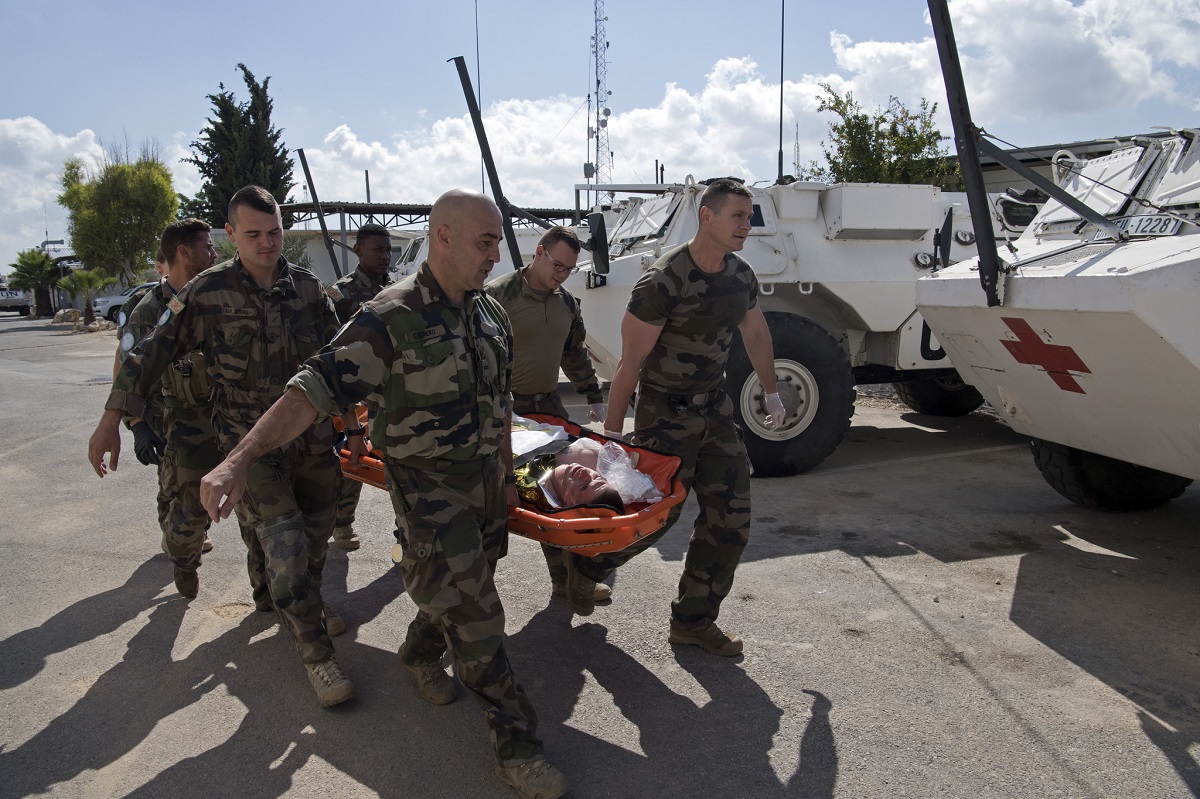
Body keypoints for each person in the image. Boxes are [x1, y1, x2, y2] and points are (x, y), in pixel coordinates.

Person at [199, 189, 569, 799]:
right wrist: (239, 458)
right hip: (428, 495)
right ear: (442, 237)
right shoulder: (390, 317)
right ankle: (517, 747)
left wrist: (504, 475)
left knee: (459, 588)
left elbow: (499, 402)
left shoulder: (487, 314)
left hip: (482, 487)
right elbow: (311, 388)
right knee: (478, 616)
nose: (496, 254)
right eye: (485, 241)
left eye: (499, 241)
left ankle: (420, 652)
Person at [87, 185, 355, 708]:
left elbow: (339, 358)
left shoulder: (306, 289)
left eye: (274, 232)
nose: (267, 243)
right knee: (286, 543)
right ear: (230, 235)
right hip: (248, 449)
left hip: (313, 442)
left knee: (314, 543)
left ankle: (291, 600)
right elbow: (148, 354)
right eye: (253, 234)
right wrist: (112, 420)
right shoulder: (206, 293)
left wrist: (354, 422)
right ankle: (318, 656)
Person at [562, 178, 787, 657]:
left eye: (750, 217)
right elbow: (630, 365)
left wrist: (771, 392)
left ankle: (693, 621)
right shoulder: (663, 281)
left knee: (731, 521)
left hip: (717, 412)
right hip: (665, 418)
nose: (748, 226)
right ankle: (586, 568)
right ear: (707, 216)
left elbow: (757, 334)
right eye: (738, 217)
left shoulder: (740, 276)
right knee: (655, 519)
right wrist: (614, 437)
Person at [484, 226, 612, 601]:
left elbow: (574, 353)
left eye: (569, 269)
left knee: (558, 494)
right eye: (557, 264)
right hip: (508, 411)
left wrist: (592, 392)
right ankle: (471, 592)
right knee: (502, 495)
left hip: (549, 407)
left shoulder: (566, 303)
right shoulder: (496, 297)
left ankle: (564, 580)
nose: (562, 273)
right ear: (538, 253)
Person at [116, 220, 218, 597]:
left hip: (221, 415)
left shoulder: (213, 298)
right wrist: (138, 425)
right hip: (174, 424)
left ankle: (264, 589)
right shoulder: (147, 312)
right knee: (183, 501)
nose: (214, 253)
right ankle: (182, 554)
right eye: (207, 247)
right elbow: (126, 372)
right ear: (183, 252)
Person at [324, 222, 394, 552]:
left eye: (387, 249)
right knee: (353, 461)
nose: (384, 256)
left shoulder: (397, 288)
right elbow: (333, 350)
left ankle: (406, 534)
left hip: (391, 392)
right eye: (377, 250)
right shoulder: (341, 295)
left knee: (398, 465)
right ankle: (341, 524)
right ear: (358, 251)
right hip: (354, 394)